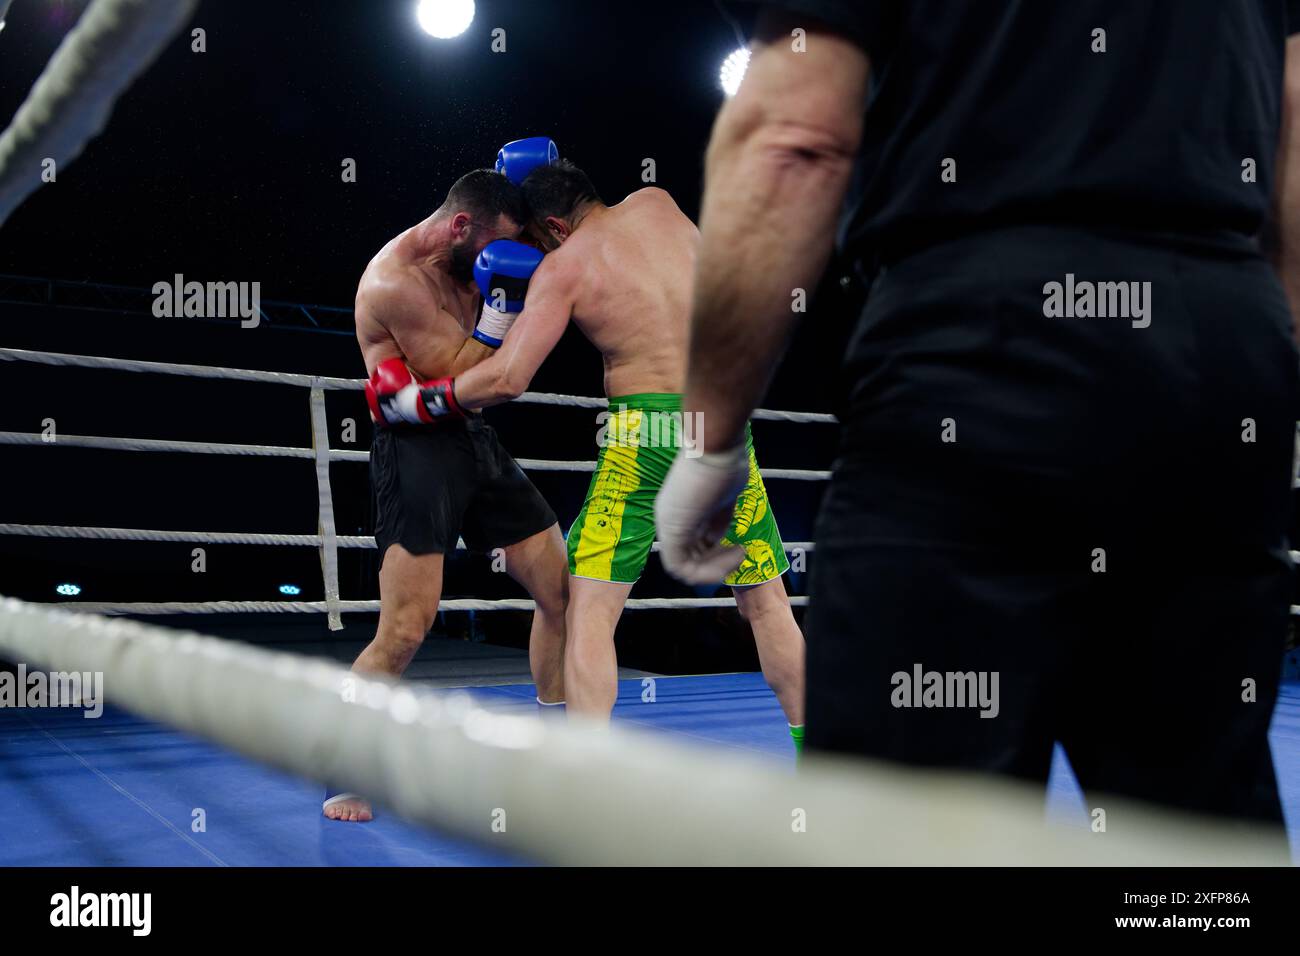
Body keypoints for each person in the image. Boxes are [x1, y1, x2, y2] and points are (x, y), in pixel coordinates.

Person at [656, 0, 1300, 828]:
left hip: (978, 337)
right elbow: (1291, 121)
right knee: (1194, 827)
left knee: (917, 827)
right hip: (1212, 344)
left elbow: (792, 136)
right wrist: (1259, 374)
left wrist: (710, 438)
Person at [424, 160, 806, 745]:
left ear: (552, 225)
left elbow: (508, 380)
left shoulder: (565, 267)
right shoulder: (658, 200)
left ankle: (585, 775)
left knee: (590, 610)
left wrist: (427, 398)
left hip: (644, 434)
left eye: (533, 234)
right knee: (766, 603)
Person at [326, 168, 569, 822]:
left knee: (560, 590)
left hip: (472, 437)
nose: (500, 261)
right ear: (461, 228)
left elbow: (474, 389)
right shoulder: (395, 284)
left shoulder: (471, 247)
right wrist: (498, 311)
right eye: (495, 247)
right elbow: (464, 372)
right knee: (406, 627)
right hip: (415, 452)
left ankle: (554, 736)